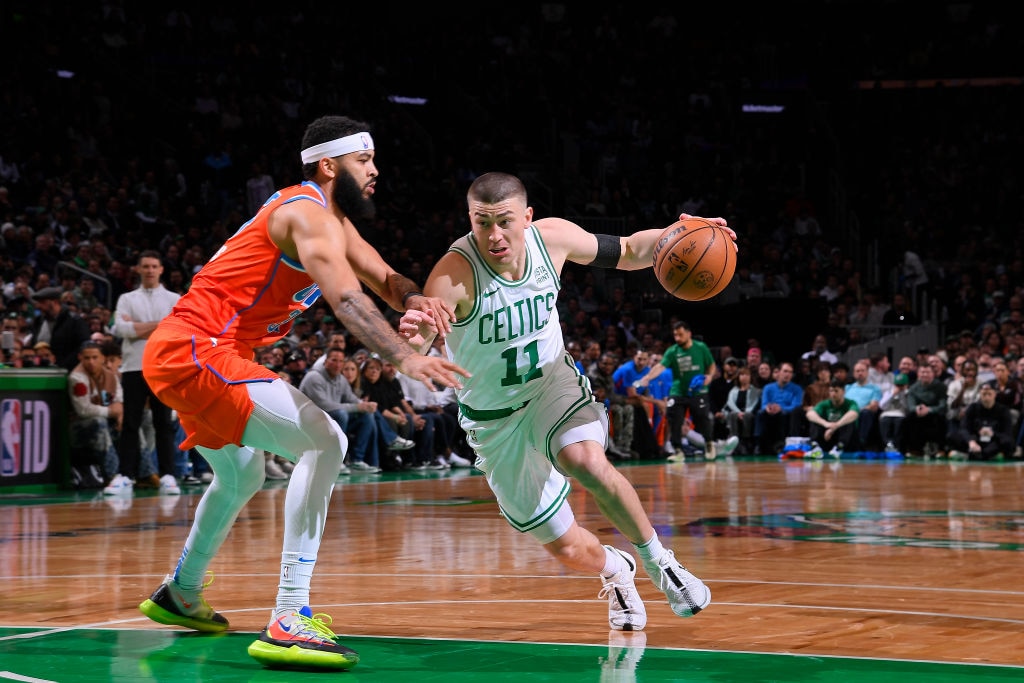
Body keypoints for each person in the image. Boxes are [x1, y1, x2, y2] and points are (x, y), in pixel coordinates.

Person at [136, 115, 468, 671]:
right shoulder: (306, 214)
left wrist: (415, 302)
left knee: (241, 474)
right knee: (326, 441)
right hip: (196, 348)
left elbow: (384, 281)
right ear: (329, 165)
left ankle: (181, 591)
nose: (375, 171)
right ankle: (290, 616)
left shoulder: (334, 221)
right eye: (365, 161)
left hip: (196, 353)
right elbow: (348, 301)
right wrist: (405, 357)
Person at [400, 172, 723, 632]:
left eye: (505, 221)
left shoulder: (551, 239)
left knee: (583, 460)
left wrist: (682, 234)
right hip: (494, 423)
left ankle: (661, 562)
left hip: (552, 385)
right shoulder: (453, 276)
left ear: (527, 218)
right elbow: (419, 342)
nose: (494, 235)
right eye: (482, 222)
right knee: (568, 548)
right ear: (470, 220)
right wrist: (414, 339)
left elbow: (631, 250)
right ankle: (617, 569)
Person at [111, 250, 183, 495]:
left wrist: (138, 327)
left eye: (154, 266)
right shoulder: (126, 298)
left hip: (163, 368)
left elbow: (177, 329)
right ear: (138, 269)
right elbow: (121, 329)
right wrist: (159, 324)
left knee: (163, 423)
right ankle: (124, 475)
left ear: (161, 269)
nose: (150, 270)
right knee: (131, 423)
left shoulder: (175, 298)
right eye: (146, 266)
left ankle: (169, 475)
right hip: (133, 366)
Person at [633, 320, 717, 460]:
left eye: (680, 335)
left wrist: (709, 376)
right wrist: (647, 377)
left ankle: (709, 443)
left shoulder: (701, 347)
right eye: (675, 335)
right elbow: (660, 366)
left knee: (702, 418)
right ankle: (677, 450)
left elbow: (711, 365)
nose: (677, 338)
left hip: (698, 390)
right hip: (678, 391)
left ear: (689, 334)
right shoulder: (672, 351)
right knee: (674, 418)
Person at [298, 346, 382, 473]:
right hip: (311, 421)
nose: (338, 364)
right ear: (325, 361)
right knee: (341, 414)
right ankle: (334, 461)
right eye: (334, 360)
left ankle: (356, 461)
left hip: (331, 420)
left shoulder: (340, 378)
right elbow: (324, 406)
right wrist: (357, 407)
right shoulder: (314, 377)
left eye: (341, 361)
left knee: (366, 416)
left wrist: (365, 405)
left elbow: (350, 397)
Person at [67, 340, 124, 490]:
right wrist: (112, 412)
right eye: (87, 358)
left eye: (94, 357)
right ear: (80, 357)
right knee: (99, 422)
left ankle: (144, 474)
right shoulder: (76, 378)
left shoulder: (112, 376)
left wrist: (120, 415)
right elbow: (84, 410)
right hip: (78, 429)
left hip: (105, 421)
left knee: (135, 422)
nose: (91, 362)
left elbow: (119, 401)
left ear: (103, 358)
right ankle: (113, 476)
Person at [27, 286, 91, 371]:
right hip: (40, 370)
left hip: (67, 371)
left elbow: (82, 347)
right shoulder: (38, 321)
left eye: (42, 302)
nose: (38, 306)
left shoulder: (75, 321)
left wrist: (62, 365)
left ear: (55, 302)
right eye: (38, 302)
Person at [948, 382, 1015, 460]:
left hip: (993, 441)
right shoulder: (972, 408)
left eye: (989, 394)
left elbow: (1007, 433)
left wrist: (993, 434)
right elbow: (964, 428)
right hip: (976, 440)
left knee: (1008, 443)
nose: (986, 397)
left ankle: (970, 455)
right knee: (952, 436)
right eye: (984, 394)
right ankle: (988, 456)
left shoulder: (1003, 410)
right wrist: (971, 441)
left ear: (995, 394)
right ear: (980, 394)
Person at [754, 361, 804, 454]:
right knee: (760, 413)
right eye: (785, 371)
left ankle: (780, 444)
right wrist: (768, 408)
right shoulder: (768, 387)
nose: (788, 374)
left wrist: (780, 408)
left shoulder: (797, 389)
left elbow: (796, 406)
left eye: (790, 372)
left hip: (786, 412)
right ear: (778, 372)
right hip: (771, 411)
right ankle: (758, 444)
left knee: (783, 414)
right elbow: (764, 404)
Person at [804, 378, 859, 457]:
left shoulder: (850, 403)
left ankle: (839, 448)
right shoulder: (825, 404)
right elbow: (809, 414)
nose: (833, 394)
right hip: (828, 437)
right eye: (831, 391)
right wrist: (826, 424)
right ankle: (815, 448)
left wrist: (835, 426)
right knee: (815, 419)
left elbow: (854, 414)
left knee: (848, 420)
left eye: (836, 391)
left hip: (846, 439)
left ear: (843, 392)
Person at [844, 359, 883, 450]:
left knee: (866, 413)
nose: (860, 373)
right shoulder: (848, 388)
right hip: (847, 413)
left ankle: (861, 442)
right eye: (857, 371)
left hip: (863, 413)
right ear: (854, 373)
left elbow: (873, 406)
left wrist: (857, 410)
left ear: (867, 373)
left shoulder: (875, 388)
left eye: (862, 371)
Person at [878, 372, 911, 454]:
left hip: (900, 414)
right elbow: (882, 406)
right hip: (887, 413)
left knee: (899, 424)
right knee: (885, 422)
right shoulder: (889, 392)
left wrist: (903, 396)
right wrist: (892, 395)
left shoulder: (908, 393)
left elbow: (907, 408)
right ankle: (889, 444)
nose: (900, 387)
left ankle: (897, 447)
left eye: (902, 385)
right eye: (898, 385)